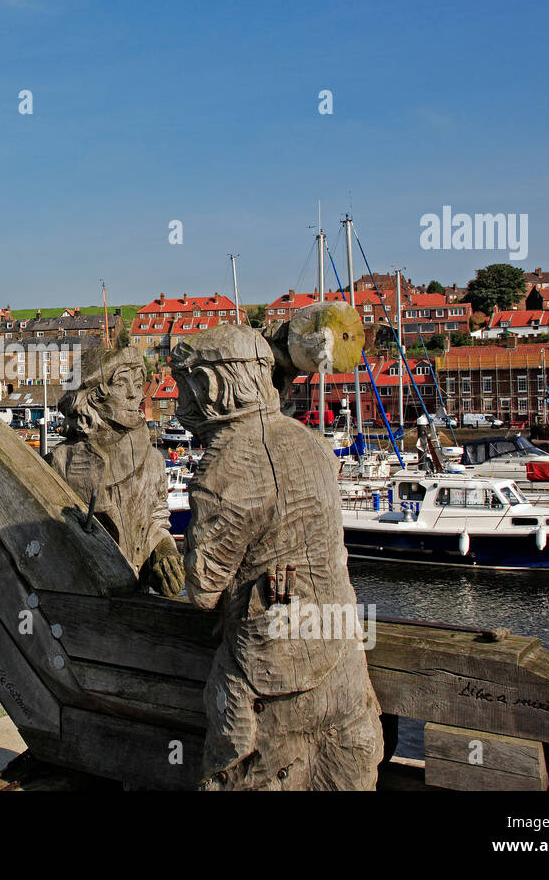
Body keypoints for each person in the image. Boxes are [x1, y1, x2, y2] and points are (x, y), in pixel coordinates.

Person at [170, 324, 381, 790]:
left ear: (211, 386)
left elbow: (203, 589)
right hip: (342, 655)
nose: (180, 405)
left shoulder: (228, 462)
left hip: (270, 675)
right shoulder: (313, 444)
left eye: (184, 386)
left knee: (247, 774)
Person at [49, 346, 183, 596]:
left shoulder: (152, 460)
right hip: (77, 599)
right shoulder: (61, 461)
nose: (137, 395)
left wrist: (163, 551)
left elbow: (155, 518)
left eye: (138, 381)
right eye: (122, 383)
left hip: (135, 602)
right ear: (92, 397)